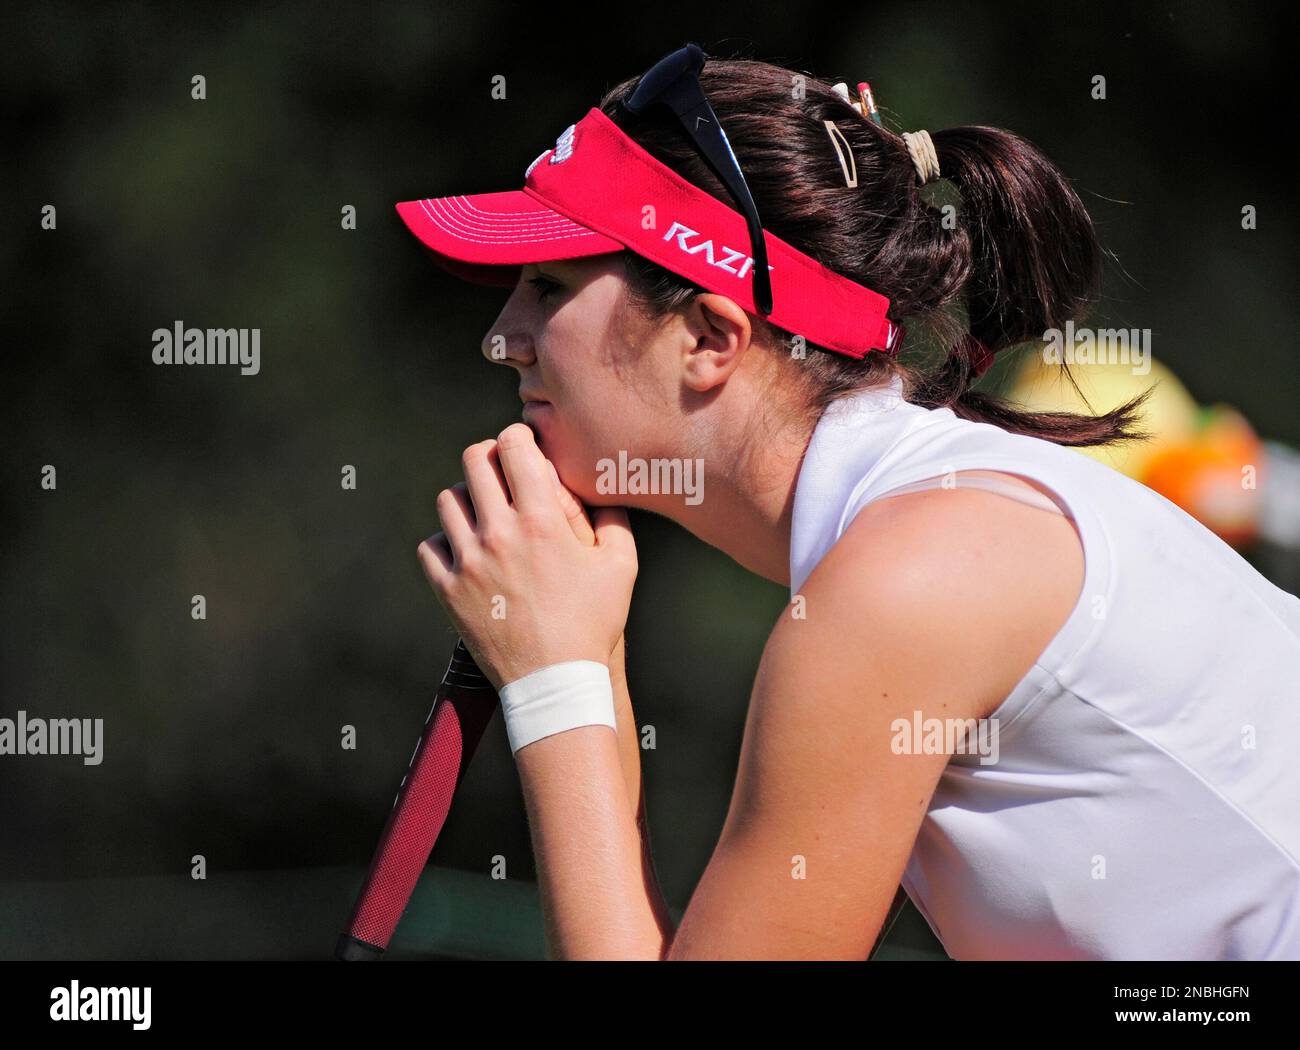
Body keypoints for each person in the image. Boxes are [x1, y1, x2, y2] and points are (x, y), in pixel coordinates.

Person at [398, 45, 1300, 959]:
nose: (501, 339)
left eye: (547, 287)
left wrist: (556, 679)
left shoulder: (902, 581)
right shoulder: (929, 523)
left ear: (711, 337)